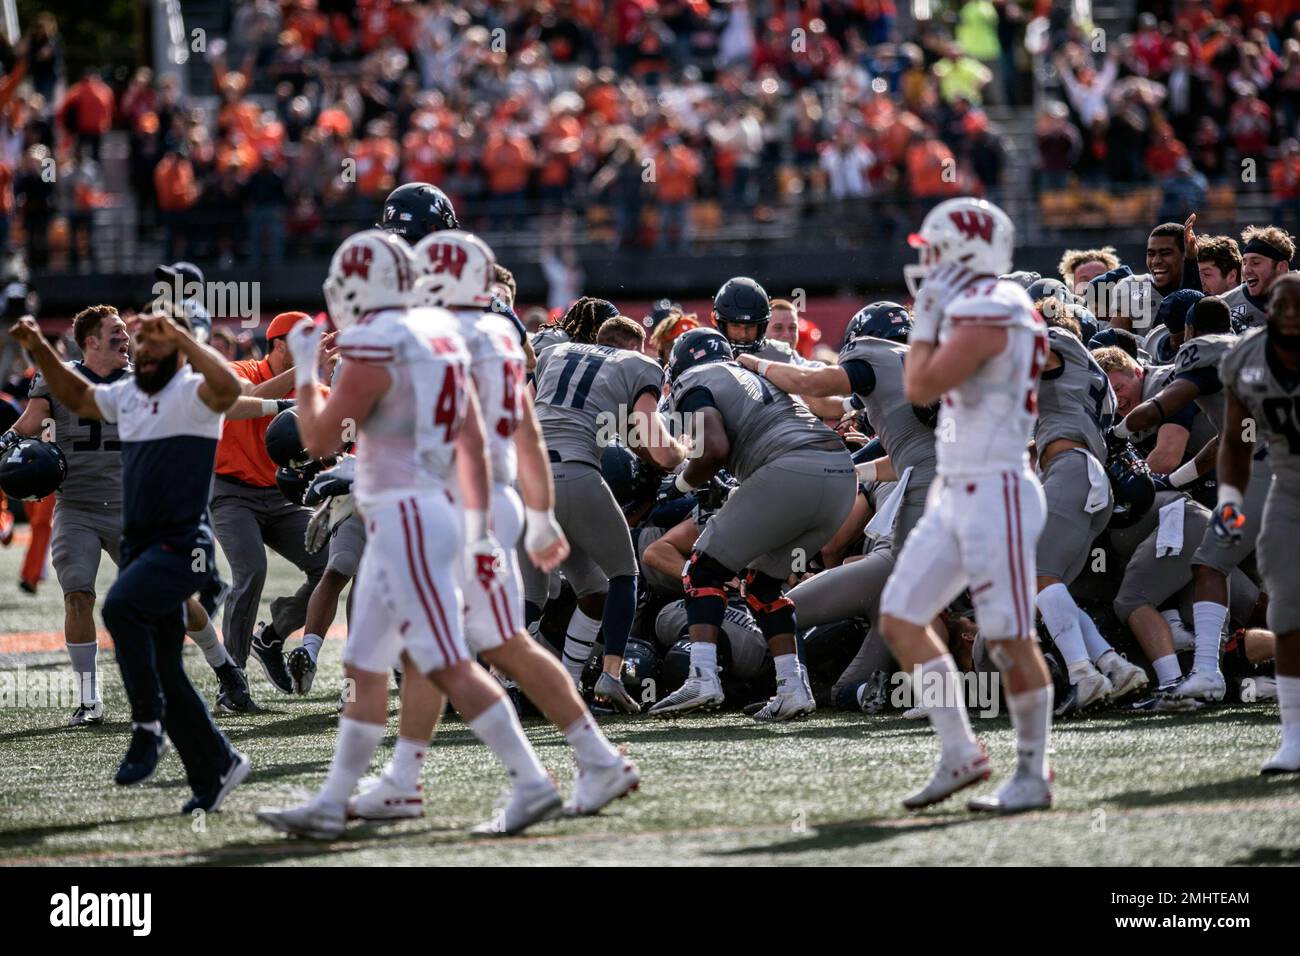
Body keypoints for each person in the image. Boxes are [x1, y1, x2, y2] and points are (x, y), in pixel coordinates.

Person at [256, 230, 562, 839]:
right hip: (422, 510)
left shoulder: (383, 337)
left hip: (411, 519)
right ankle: (347, 797)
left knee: (448, 660)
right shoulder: (441, 335)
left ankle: (532, 780)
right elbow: (471, 434)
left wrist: (310, 366)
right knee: (367, 662)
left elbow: (316, 437)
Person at [346, 229, 637, 819]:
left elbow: (466, 433)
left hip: (455, 502)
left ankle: (576, 765)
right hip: (486, 498)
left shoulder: (441, 336)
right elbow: (525, 425)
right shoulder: (503, 332)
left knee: (480, 644)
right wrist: (534, 511)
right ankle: (407, 777)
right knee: (442, 644)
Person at [7, 307, 251, 814]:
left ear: (177, 354)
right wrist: (38, 348)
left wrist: (183, 338)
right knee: (164, 665)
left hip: (183, 540)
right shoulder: (128, 394)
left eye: (150, 343)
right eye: (137, 342)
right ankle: (217, 766)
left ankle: (146, 726)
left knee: (119, 609)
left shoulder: (191, 393)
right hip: (142, 540)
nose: (138, 348)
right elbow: (72, 394)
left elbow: (228, 388)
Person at [879, 197, 1055, 813]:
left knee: (1009, 638)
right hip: (958, 489)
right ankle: (960, 752)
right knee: (901, 616)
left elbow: (920, 386)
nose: (926, 264)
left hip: (997, 489)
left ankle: (1033, 773)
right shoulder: (987, 304)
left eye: (934, 250)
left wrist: (926, 317)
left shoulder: (993, 305)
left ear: (966, 251)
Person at [648, 328, 856, 720]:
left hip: (791, 468)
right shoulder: (753, 376)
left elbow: (713, 448)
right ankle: (793, 688)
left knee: (702, 570)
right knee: (761, 586)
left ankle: (703, 676)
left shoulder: (696, 379)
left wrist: (677, 484)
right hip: (841, 475)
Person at [527, 314, 686, 712]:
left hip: (526, 479)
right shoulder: (639, 366)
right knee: (624, 574)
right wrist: (683, 447)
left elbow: (517, 415)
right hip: (576, 474)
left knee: (579, 591)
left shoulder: (554, 352)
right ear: (634, 348)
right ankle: (611, 675)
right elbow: (663, 452)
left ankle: (533, 683)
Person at [209, 310, 329, 703]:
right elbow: (241, 399)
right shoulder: (242, 366)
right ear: (278, 345)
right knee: (251, 571)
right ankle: (234, 679)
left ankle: (271, 636)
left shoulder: (310, 384)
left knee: (331, 565)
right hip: (231, 492)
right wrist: (303, 375)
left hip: (282, 495)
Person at [1217, 273, 1300, 773]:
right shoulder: (1245, 359)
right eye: (1281, 303)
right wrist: (1229, 502)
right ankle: (1293, 736)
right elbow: (1233, 441)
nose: (1290, 312)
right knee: (1287, 610)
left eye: (1299, 304)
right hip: (1289, 486)